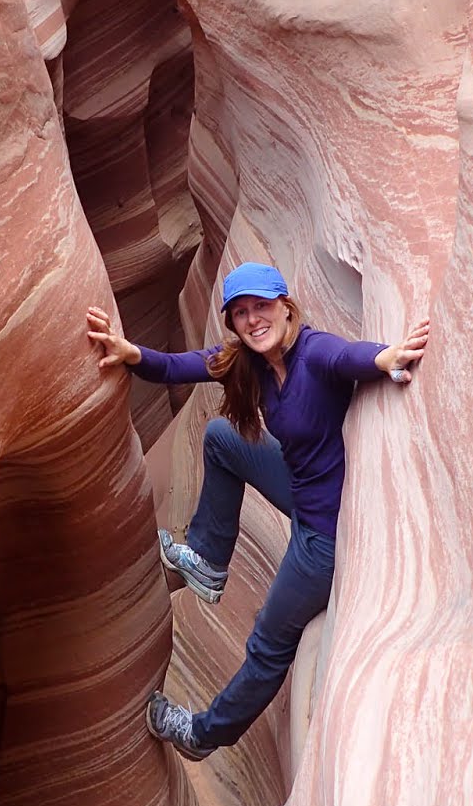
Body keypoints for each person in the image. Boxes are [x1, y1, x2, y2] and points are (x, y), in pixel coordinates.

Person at [87, 262, 429, 762]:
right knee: (222, 437)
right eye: (241, 312)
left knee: (269, 643)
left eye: (262, 306)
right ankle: (208, 561)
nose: (253, 320)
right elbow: (179, 367)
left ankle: (203, 735)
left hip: (324, 536)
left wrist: (387, 357)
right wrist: (130, 353)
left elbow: (347, 357)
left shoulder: (314, 352)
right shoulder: (250, 361)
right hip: (301, 489)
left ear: (285, 306)